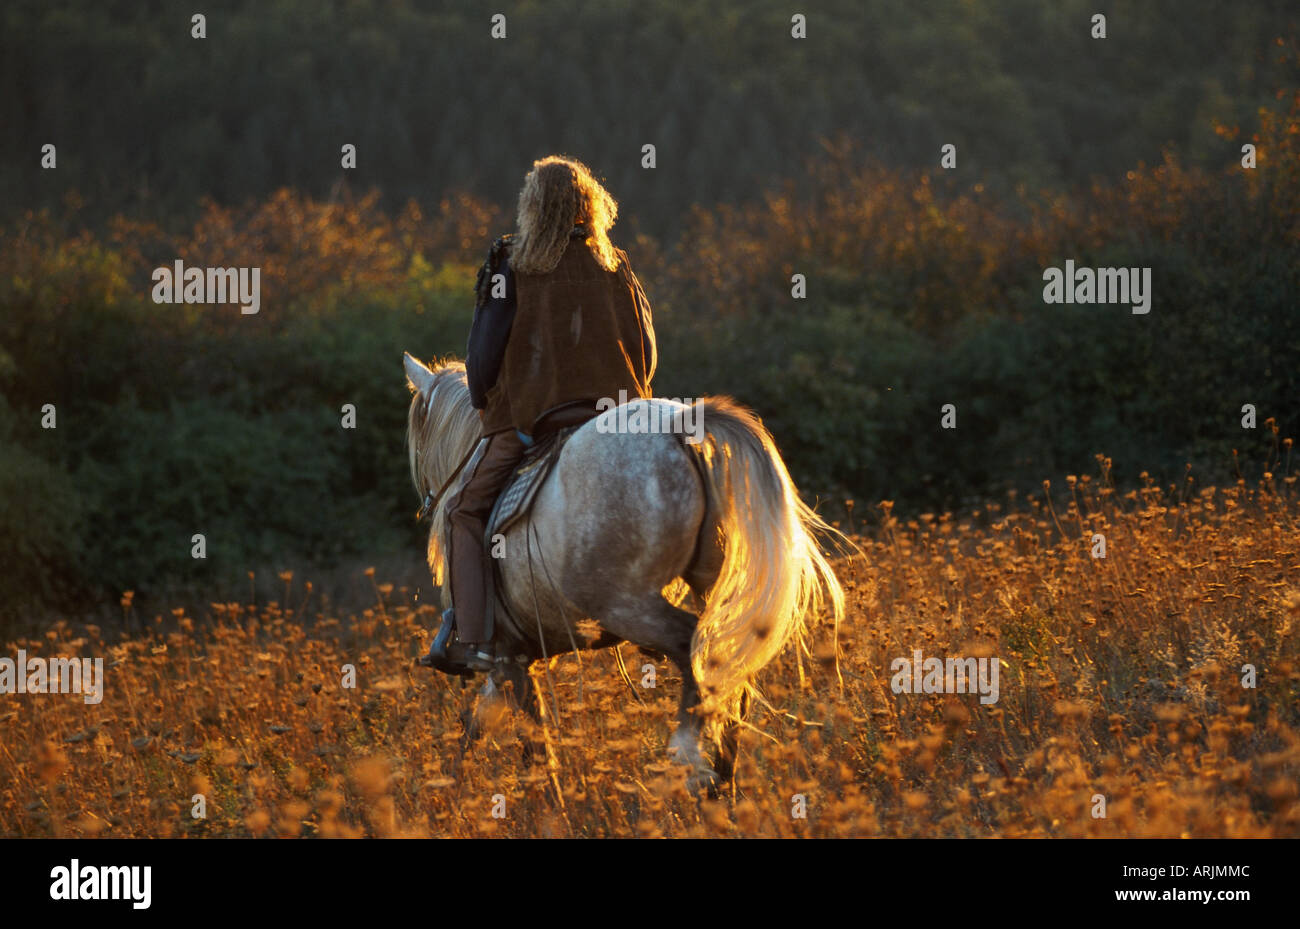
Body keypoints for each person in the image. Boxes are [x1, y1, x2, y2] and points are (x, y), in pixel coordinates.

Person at [424, 155, 657, 674]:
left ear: (532, 206)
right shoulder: (614, 263)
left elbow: (482, 358)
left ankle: (474, 640)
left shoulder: (512, 263)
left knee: (464, 510)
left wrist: (488, 404)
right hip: (617, 415)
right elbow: (646, 350)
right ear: (589, 205)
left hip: (535, 420)